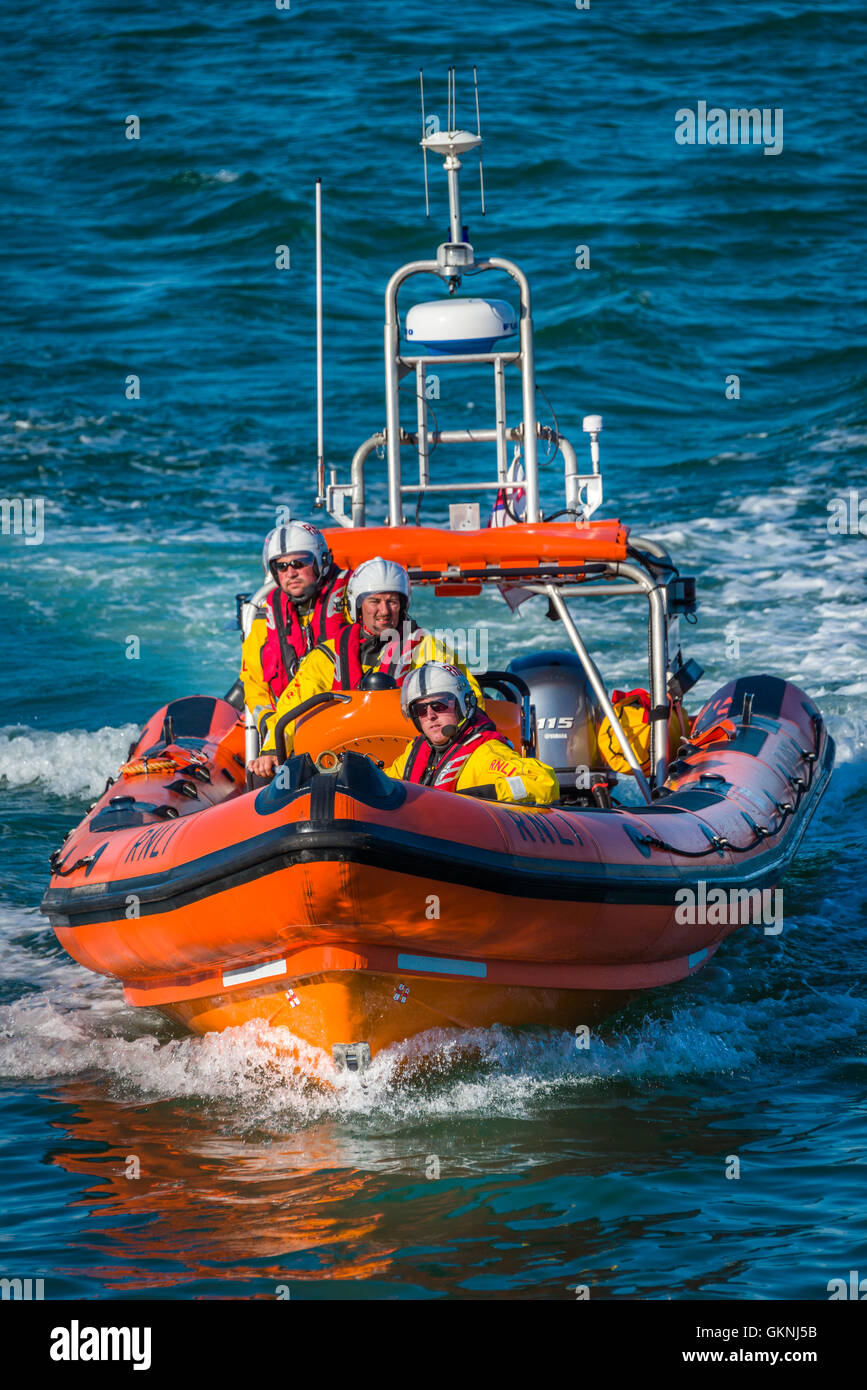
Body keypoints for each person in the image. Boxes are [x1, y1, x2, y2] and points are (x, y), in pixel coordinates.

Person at [249, 559, 484, 778]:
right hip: (337, 766)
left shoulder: (427, 650)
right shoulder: (326, 657)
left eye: (392, 601)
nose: (384, 610)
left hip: (411, 767)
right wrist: (270, 750)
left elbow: (468, 696)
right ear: (358, 606)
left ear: (402, 605)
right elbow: (291, 709)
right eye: (375, 601)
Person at [383, 661, 558, 805]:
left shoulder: (486, 754)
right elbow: (383, 782)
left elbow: (543, 782)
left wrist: (485, 793)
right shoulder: (413, 754)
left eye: (440, 705)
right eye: (421, 709)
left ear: (463, 705)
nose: (430, 715)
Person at [240, 522, 350, 747]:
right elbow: (254, 683)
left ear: (321, 561)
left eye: (299, 563)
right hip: (288, 730)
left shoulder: (352, 608)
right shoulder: (266, 621)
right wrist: (270, 723)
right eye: (281, 566)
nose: (291, 572)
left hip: (347, 722)